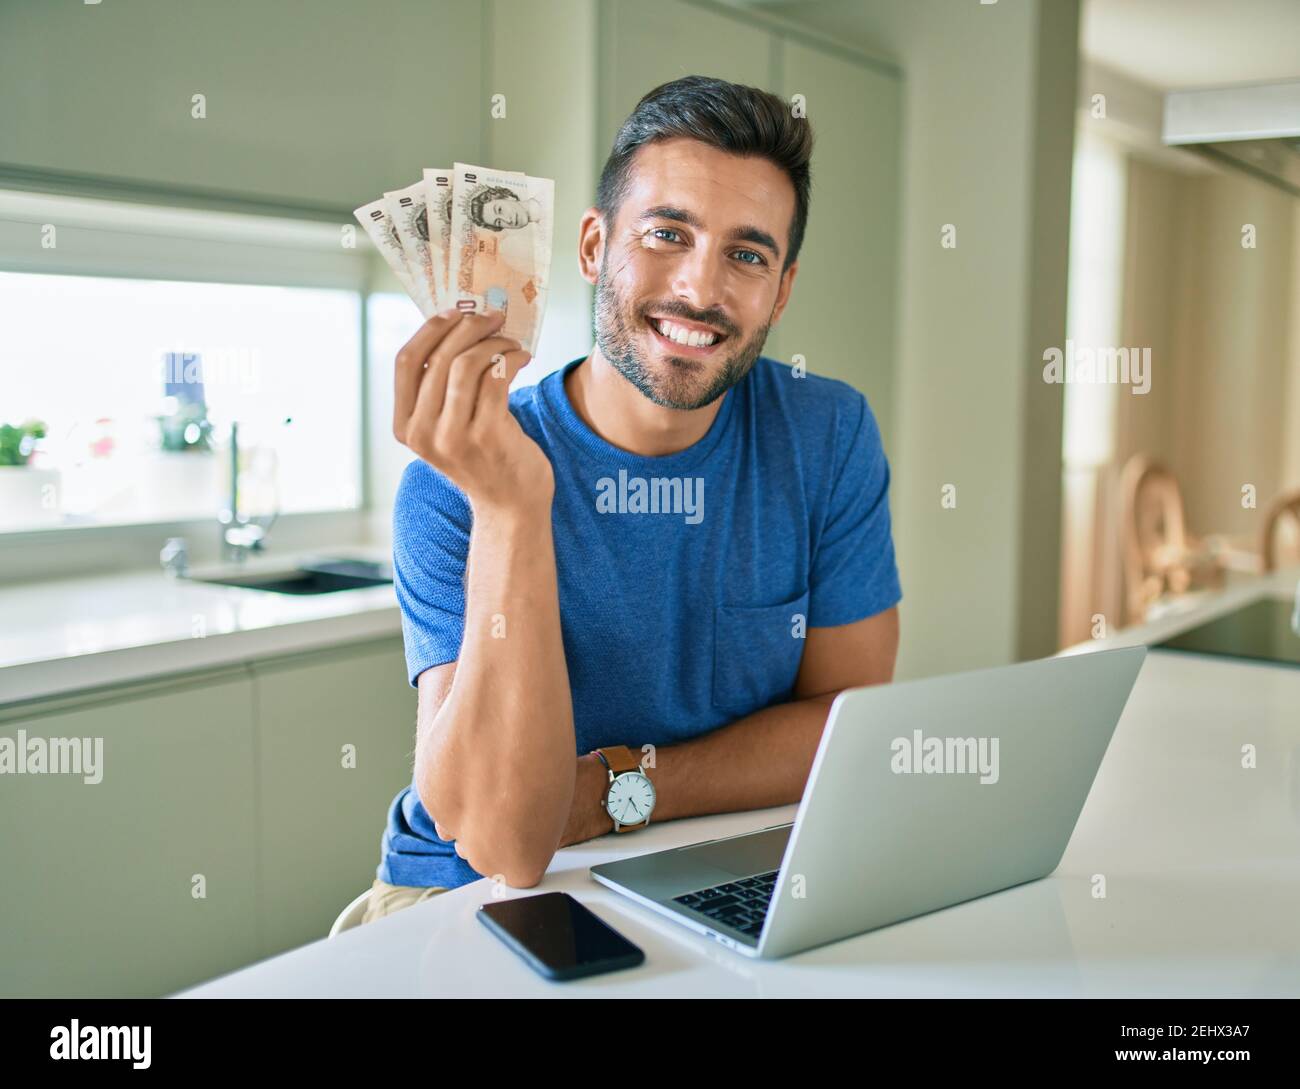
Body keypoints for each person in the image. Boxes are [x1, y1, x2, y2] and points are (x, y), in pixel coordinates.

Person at [361, 74, 902, 925]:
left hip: (711, 856)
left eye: (747, 254)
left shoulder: (827, 435)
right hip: (470, 895)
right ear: (591, 246)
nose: (700, 287)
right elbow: (509, 842)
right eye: (666, 233)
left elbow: (850, 725)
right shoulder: (460, 475)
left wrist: (625, 785)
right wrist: (514, 510)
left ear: (782, 290)